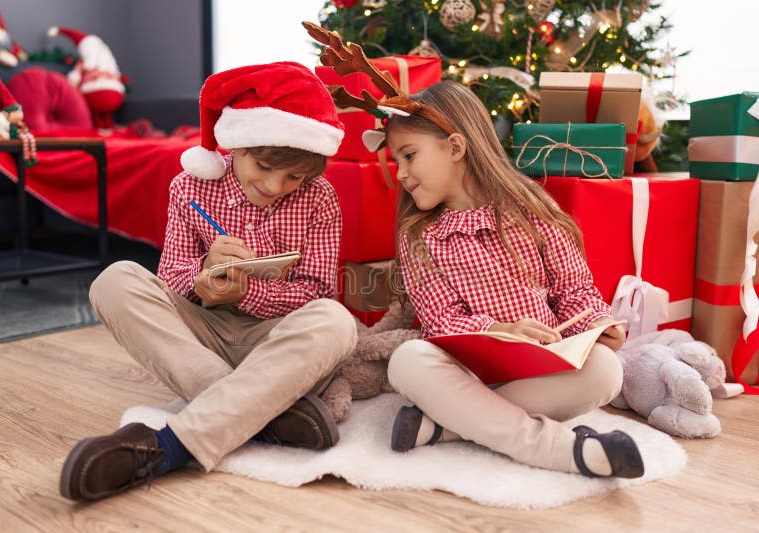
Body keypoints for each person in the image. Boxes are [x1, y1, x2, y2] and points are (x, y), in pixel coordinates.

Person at [59, 62, 358, 501]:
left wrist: (250, 290)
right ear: (236, 145)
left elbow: (317, 292)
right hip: (203, 334)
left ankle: (167, 449)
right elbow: (171, 276)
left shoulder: (320, 197)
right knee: (114, 280)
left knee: (336, 322)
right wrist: (202, 279)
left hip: (274, 341)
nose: (276, 185)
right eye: (265, 166)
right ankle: (267, 413)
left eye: (295, 176)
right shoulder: (190, 187)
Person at [371, 80, 644, 479]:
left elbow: (573, 290)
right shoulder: (419, 234)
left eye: (409, 156)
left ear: (455, 147)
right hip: (464, 371)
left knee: (606, 370)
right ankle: (560, 450)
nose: (402, 174)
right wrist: (499, 330)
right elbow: (440, 320)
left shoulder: (531, 207)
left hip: (540, 371)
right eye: (398, 162)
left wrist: (595, 323)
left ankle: (450, 426)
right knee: (407, 361)